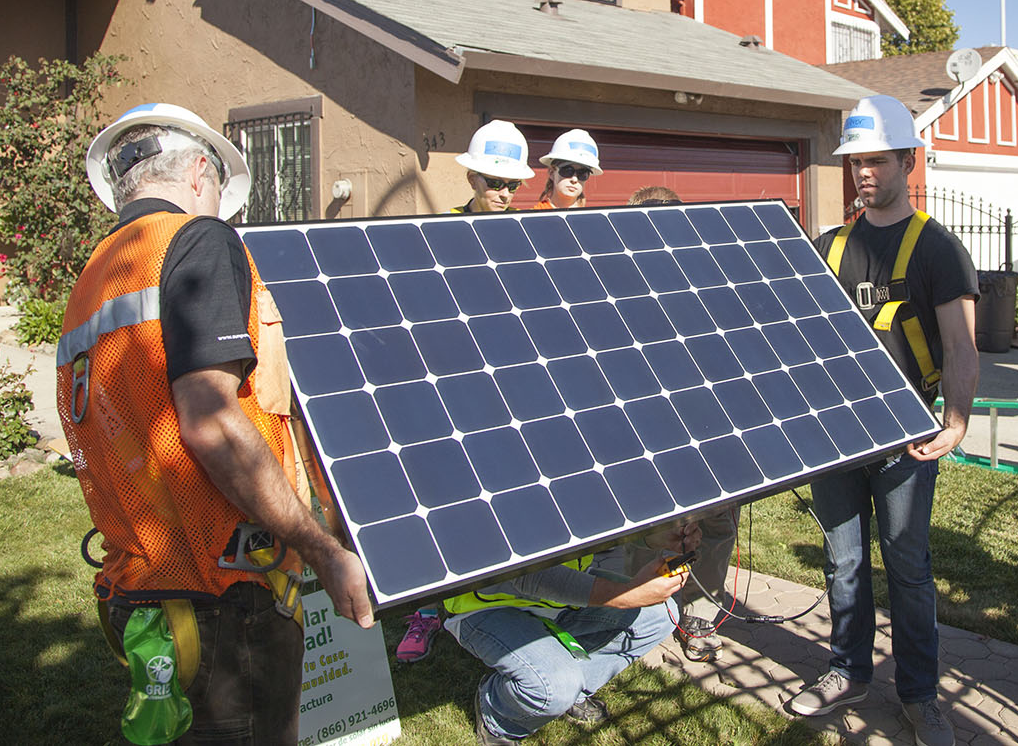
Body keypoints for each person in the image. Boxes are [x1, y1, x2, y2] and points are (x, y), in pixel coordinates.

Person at [58, 103, 373, 746]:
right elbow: (213, 421)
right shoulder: (197, 241)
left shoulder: (98, 273)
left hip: (142, 585)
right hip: (224, 596)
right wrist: (322, 549)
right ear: (202, 170)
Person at [790, 94, 979, 746]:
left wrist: (954, 421)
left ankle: (921, 694)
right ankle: (847, 669)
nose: (863, 172)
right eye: (855, 162)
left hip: (906, 437)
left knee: (908, 566)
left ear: (907, 160)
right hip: (837, 437)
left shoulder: (938, 249)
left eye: (876, 160)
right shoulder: (830, 245)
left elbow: (960, 345)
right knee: (843, 563)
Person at [398, 118, 540, 661]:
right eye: (491, 182)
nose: (501, 194)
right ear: (472, 179)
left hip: (509, 391)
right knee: (445, 501)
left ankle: (505, 600)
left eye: (510, 186)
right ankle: (428, 610)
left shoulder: (529, 239)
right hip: (451, 386)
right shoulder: (436, 233)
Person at [620, 186, 737, 664]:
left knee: (717, 525)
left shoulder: (707, 282)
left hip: (711, 428)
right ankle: (633, 613)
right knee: (649, 531)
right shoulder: (617, 286)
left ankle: (699, 613)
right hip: (649, 434)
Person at [448, 522, 698, 744]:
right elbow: (527, 576)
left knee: (660, 615)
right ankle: (497, 714)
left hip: (558, 602)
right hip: (488, 607)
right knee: (554, 688)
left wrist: (656, 538)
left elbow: (604, 527)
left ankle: (571, 690)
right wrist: (626, 595)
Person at [452, 120, 535, 214]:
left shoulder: (526, 222)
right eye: (495, 183)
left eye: (513, 186)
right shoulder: (444, 225)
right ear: (472, 180)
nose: (505, 195)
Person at [534, 128, 602, 209]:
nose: (574, 179)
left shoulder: (591, 219)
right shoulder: (533, 217)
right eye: (567, 171)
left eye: (582, 173)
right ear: (552, 172)